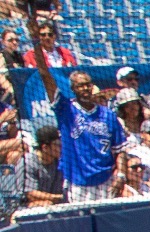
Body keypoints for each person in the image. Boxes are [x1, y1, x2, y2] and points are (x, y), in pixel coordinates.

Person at [33, 67, 121, 203]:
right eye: (80, 85)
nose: (85, 88)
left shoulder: (108, 115)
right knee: (81, 222)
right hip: (77, 181)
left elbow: (120, 149)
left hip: (105, 180)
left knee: (105, 221)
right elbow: (45, 75)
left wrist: (121, 174)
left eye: (88, 84)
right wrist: (37, 46)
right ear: (73, 89)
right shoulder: (66, 109)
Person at [22, 123, 65, 206]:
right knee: (47, 204)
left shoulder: (61, 161)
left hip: (57, 202)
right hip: (28, 205)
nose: (61, 148)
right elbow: (31, 194)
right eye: (57, 145)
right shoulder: (29, 162)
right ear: (45, 148)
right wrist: (57, 197)